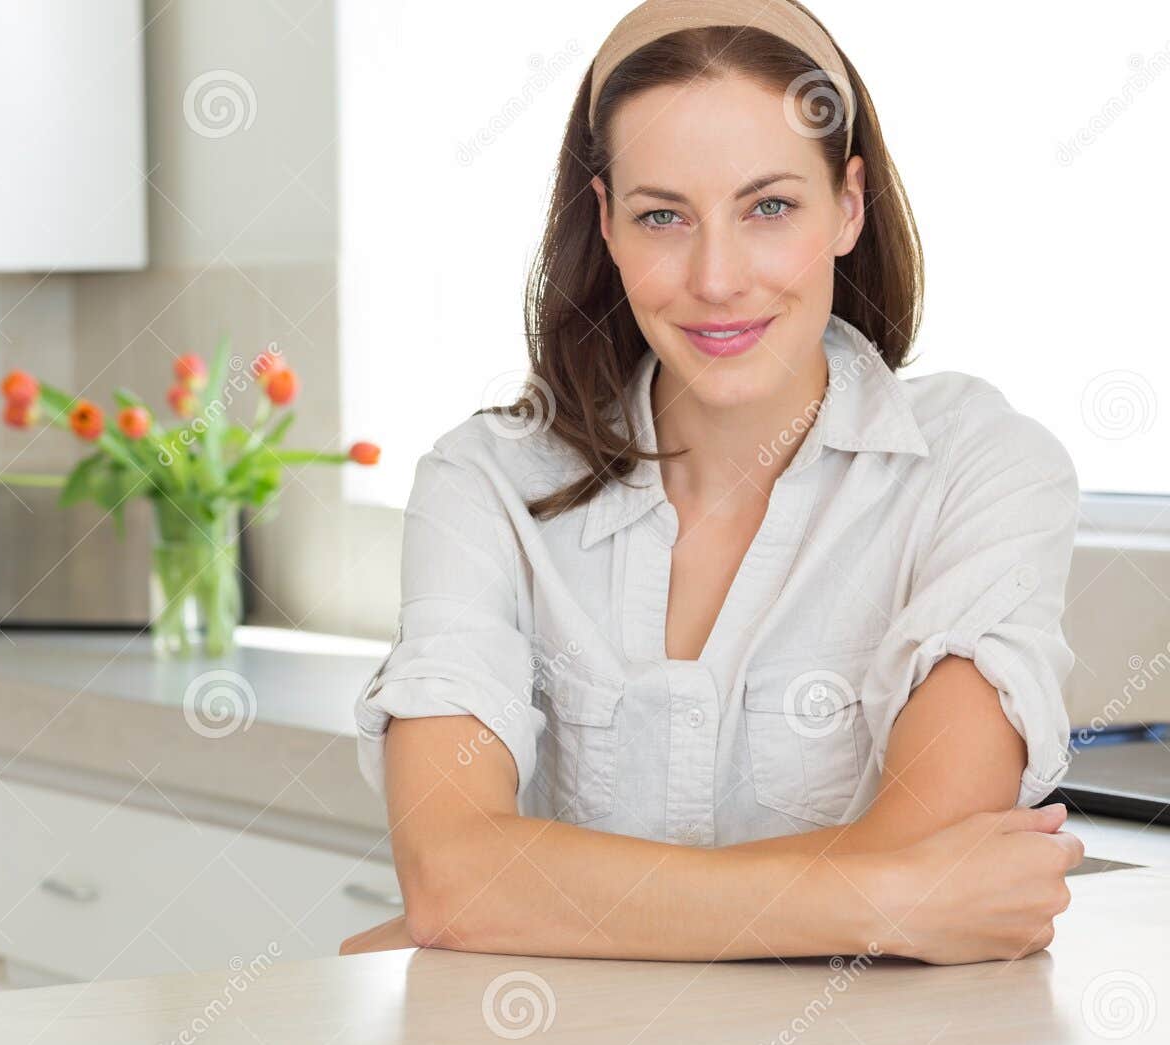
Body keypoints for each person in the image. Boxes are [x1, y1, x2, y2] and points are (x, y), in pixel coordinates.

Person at [344, 0, 1083, 965]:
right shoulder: (485, 482)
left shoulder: (981, 468)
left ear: (848, 205)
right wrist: (884, 898)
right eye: (663, 217)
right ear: (605, 224)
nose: (718, 278)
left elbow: (923, 849)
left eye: (769, 206)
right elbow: (452, 878)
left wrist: (523, 896)